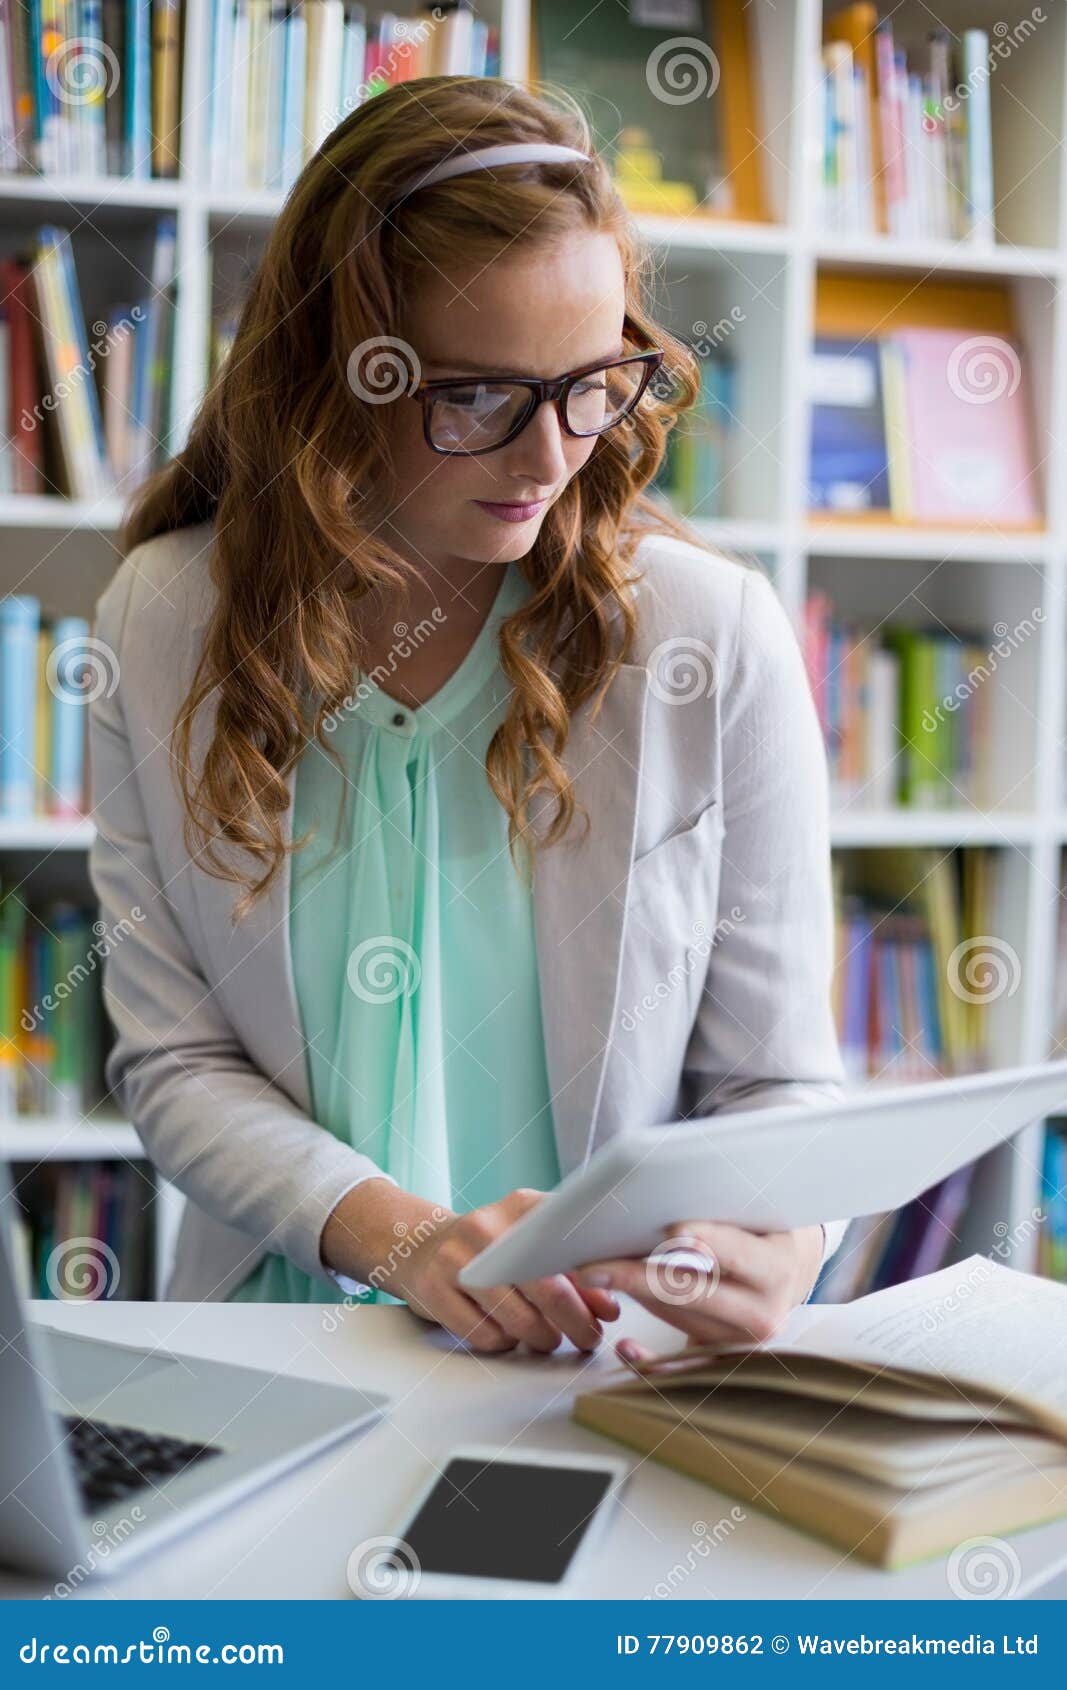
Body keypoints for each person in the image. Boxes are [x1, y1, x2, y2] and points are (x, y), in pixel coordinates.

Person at [88, 76, 847, 1367]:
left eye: (595, 383)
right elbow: (177, 1062)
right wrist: (406, 1241)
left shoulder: (709, 640)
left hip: (602, 1366)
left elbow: (781, 1091)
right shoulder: (161, 621)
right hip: (281, 1353)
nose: (552, 458)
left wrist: (787, 1234)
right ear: (334, 378)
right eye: (479, 399)